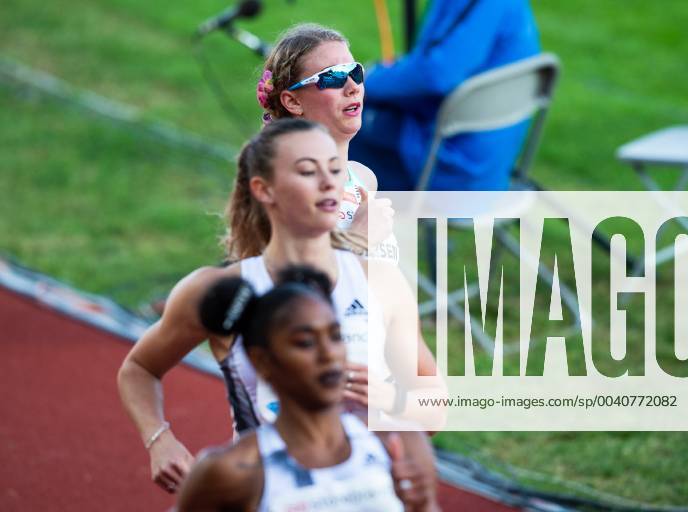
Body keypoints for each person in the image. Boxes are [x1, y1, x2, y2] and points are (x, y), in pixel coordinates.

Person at [117, 119, 440, 494]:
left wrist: (391, 399)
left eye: (334, 169)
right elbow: (139, 368)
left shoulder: (379, 281)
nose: (327, 182)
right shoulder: (224, 291)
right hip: (270, 493)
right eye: (307, 171)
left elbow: (435, 407)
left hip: (367, 493)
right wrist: (159, 439)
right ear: (263, 189)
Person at [175, 266, 436, 511]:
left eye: (335, 336)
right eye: (305, 342)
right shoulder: (232, 471)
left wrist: (420, 507)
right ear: (262, 361)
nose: (329, 355)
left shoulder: (400, 442)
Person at [349, 0, 541, 191]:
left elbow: (437, 75)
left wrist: (368, 83)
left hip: (452, 172)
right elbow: (432, 66)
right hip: (491, 170)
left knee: (338, 122)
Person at [256, 23, 393, 248]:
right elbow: (289, 278)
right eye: (334, 77)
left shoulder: (363, 179)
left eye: (354, 72)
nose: (353, 87)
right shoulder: (286, 188)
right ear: (293, 101)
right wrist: (358, 239)